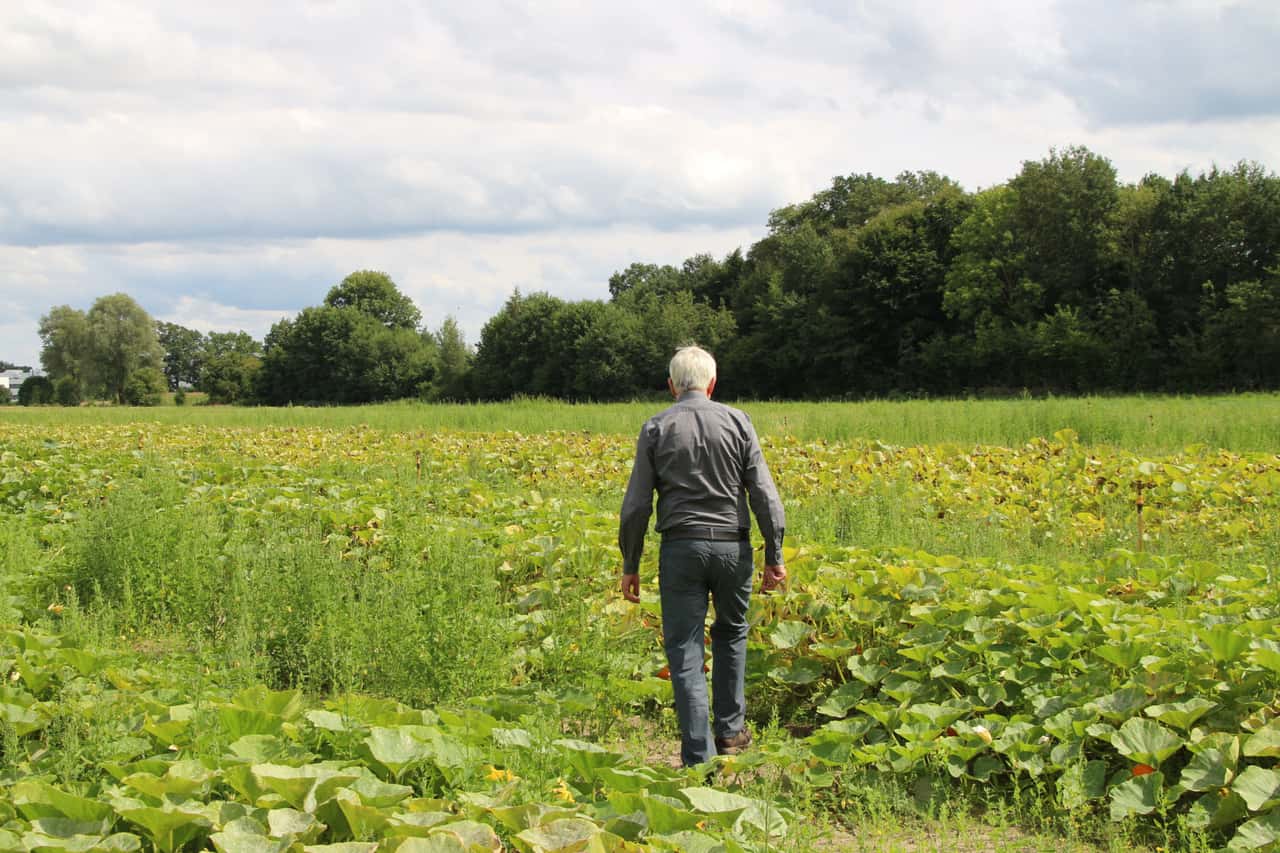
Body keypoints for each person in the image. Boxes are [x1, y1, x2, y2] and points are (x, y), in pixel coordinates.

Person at [618, 345, 786, 767]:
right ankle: (730, 732)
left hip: (681, 548)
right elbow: (764, 494)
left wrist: (630, 563)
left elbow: (636, 505)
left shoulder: (656, 428)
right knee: (732, 633)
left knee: (685, 647)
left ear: (671, 386)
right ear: (712, 384)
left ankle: (698, 756)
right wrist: (775, 553)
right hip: (733, 546)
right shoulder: (739, 422)